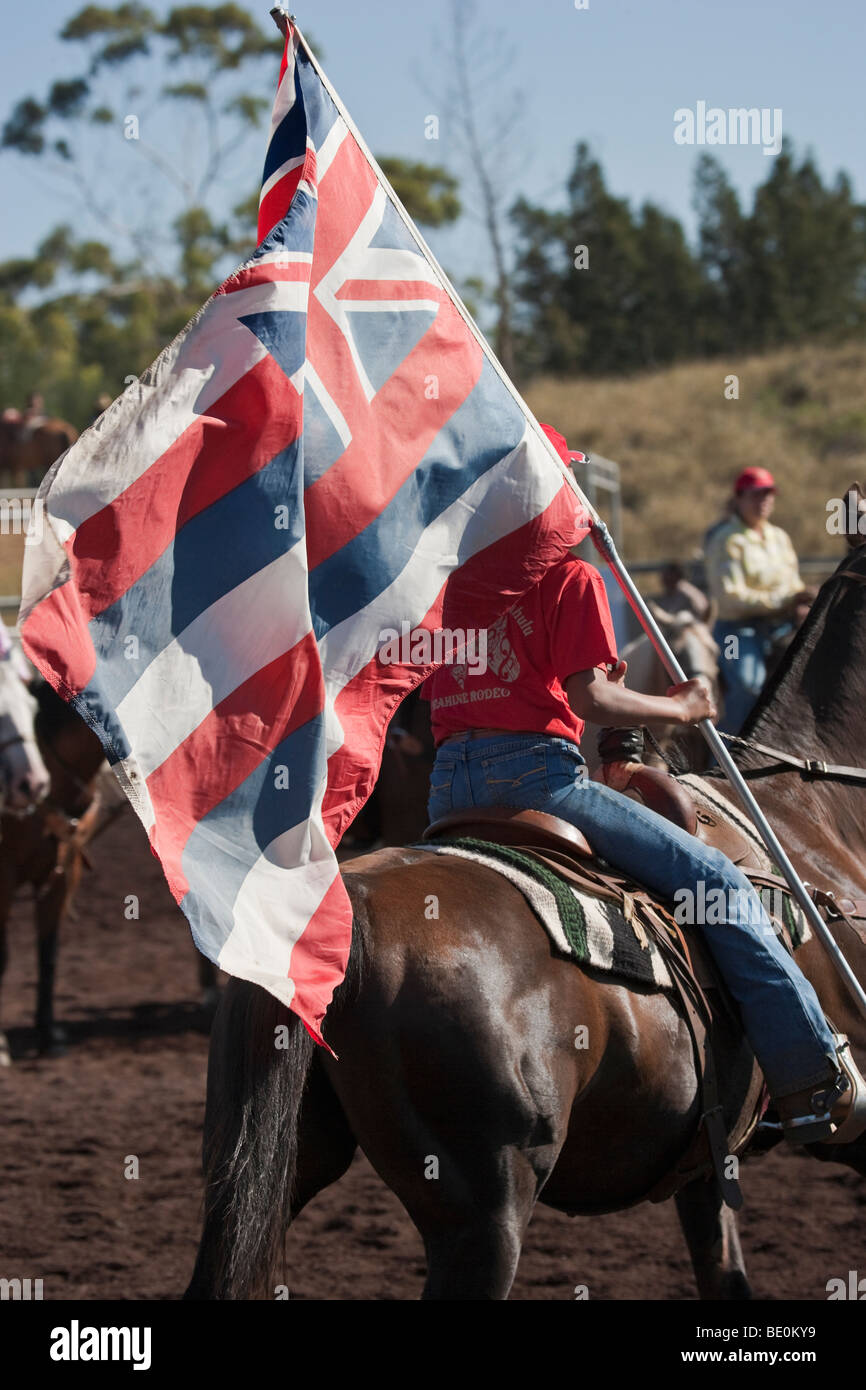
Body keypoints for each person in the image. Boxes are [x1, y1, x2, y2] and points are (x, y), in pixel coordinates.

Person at [421, 424, 866, 1146]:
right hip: (539, 781)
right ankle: (810, 1073)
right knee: (716, 880)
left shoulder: (451, 585)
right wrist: (681, 707)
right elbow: (591, 698)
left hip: (448, 793)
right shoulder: (572, 576)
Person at [704, 467, 813, 733]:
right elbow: (730, 599)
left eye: (768, 495)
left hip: (781, 627)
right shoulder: (726, 540)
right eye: (756, 495)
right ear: (739, 498)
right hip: (735, 633)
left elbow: (793, 582)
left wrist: (802, 601)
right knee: (746, 684)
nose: (764, 501)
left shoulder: (780, 537)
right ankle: (729, 752)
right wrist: (786, 599)